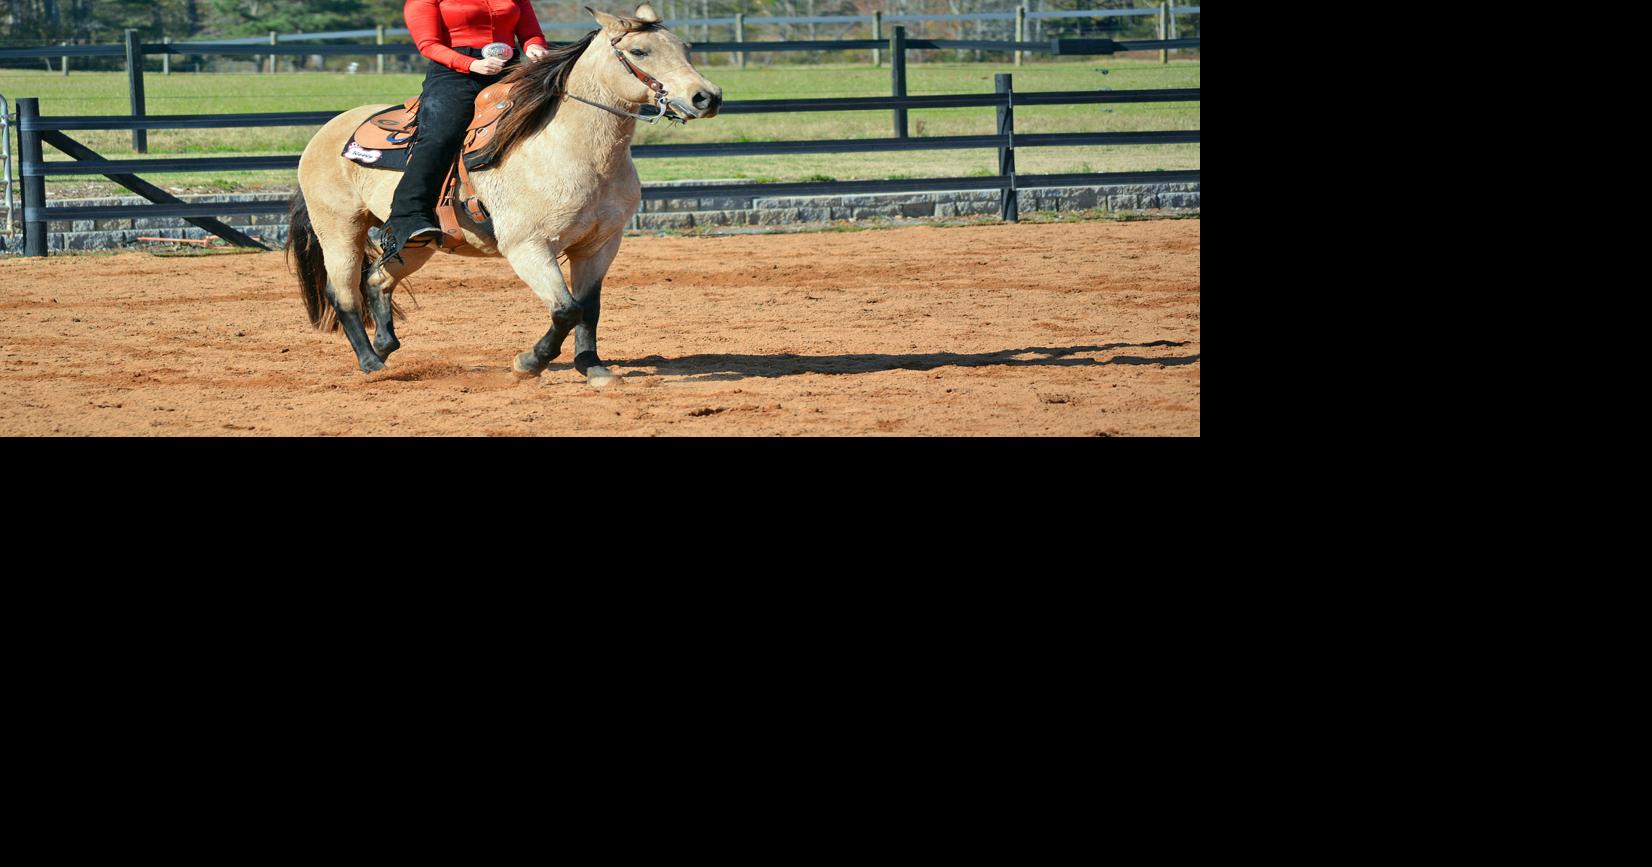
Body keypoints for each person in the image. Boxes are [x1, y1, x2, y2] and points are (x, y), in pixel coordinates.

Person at [380, 0, 551, 264]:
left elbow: (530, 33)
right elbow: (429, 45)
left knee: (547, 121)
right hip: (455, 74)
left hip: (510, 70)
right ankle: (408, 216)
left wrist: (535, 47)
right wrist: (471, 64)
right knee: (441, 134)